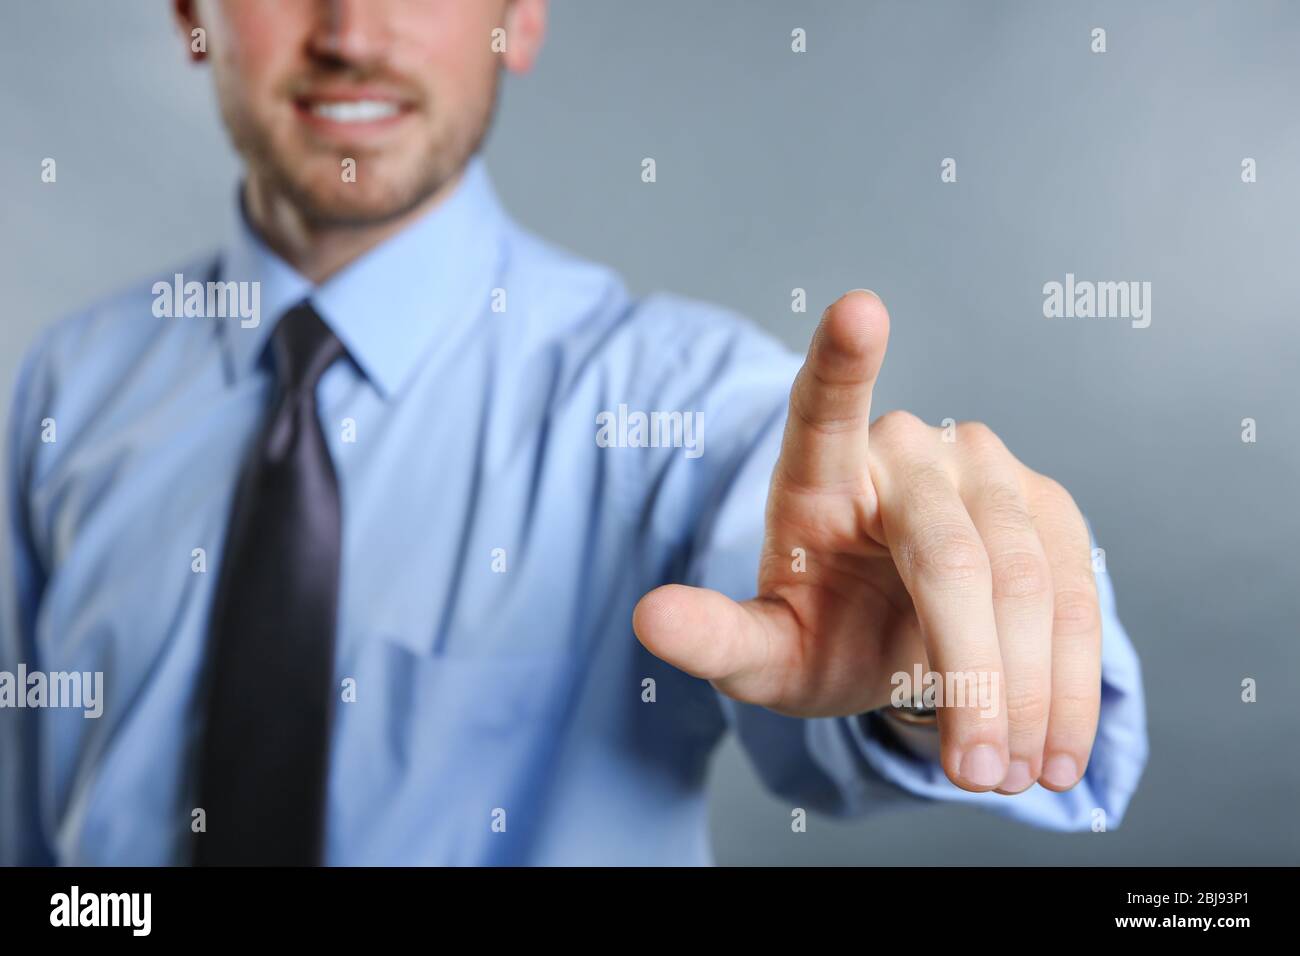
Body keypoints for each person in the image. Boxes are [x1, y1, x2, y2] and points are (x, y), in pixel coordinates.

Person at [0, 0, 1147, 866]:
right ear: (193, 16)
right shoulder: (67, 386)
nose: (350, 31)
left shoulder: (674, 400)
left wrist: (934, 660)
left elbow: (805, 529)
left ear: (521, 18)